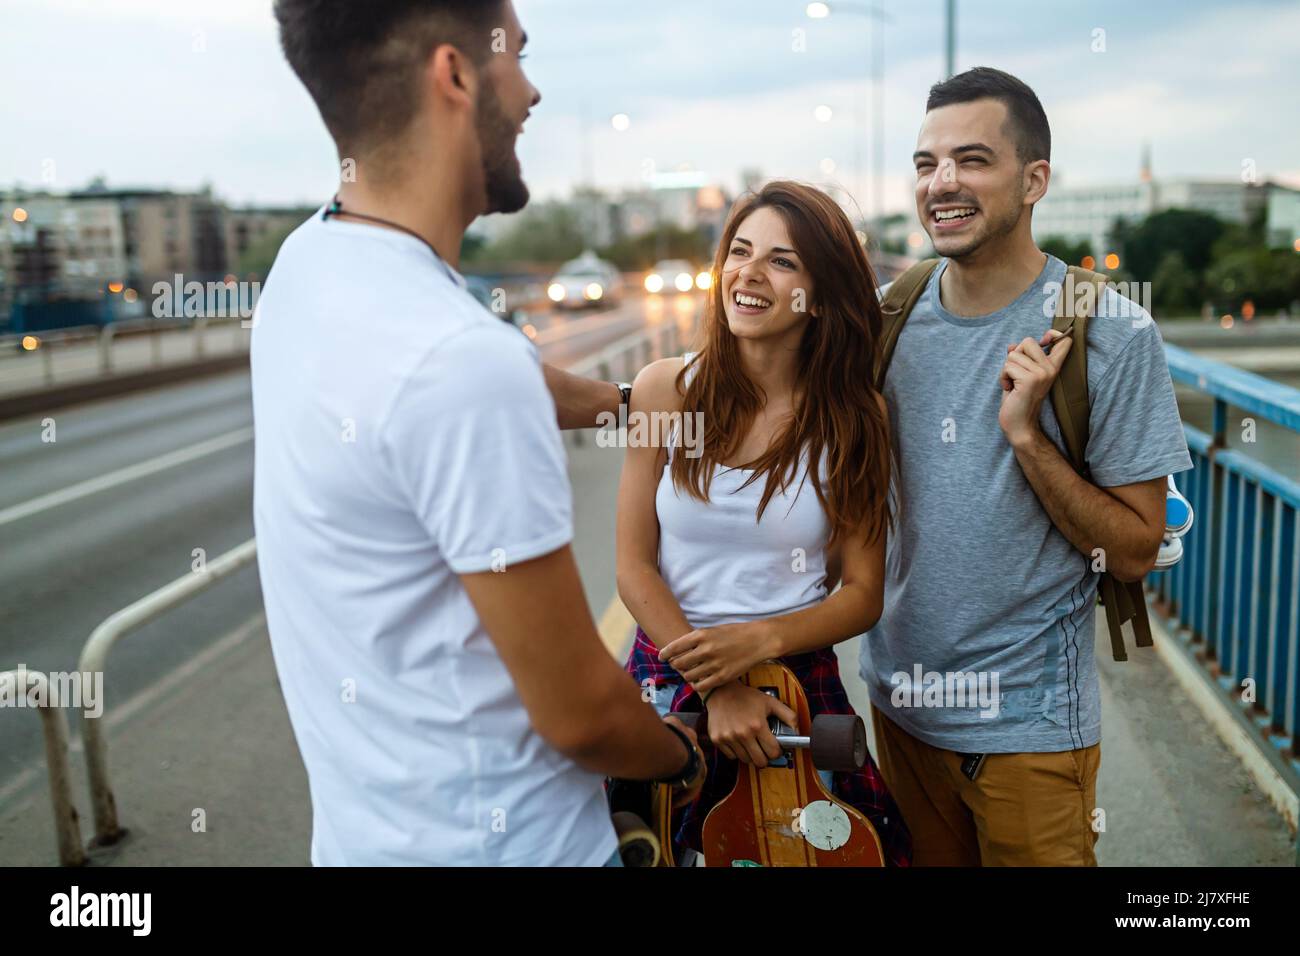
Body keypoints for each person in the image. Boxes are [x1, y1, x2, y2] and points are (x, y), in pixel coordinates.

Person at [254, 0, 701, 867]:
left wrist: (623, 402)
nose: (531, 94)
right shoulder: (461, 365)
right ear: (456, 74)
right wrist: (684, 751)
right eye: (519, 59)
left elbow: (474, 378)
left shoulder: (310, 264)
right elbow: (583, 716)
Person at [862, 67, 1191, 865]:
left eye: (972, 160)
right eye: (925, 164)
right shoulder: (888, 317)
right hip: (899, 710)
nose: (942, 183)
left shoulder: (1111, 331)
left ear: (1034, 178)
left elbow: (1138, 549)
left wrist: (1028, 438)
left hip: (1028, 731)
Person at [613, 181, 911, 865]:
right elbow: (632, 567)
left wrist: (756, 644)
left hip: (796, 683)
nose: (748, 273)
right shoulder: (666, 388)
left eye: (782, 261)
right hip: (670, 671)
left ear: (822, 291)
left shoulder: (856, 418)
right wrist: (718, 682)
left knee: (858, 852)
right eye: (740, 251)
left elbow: (862, 592)